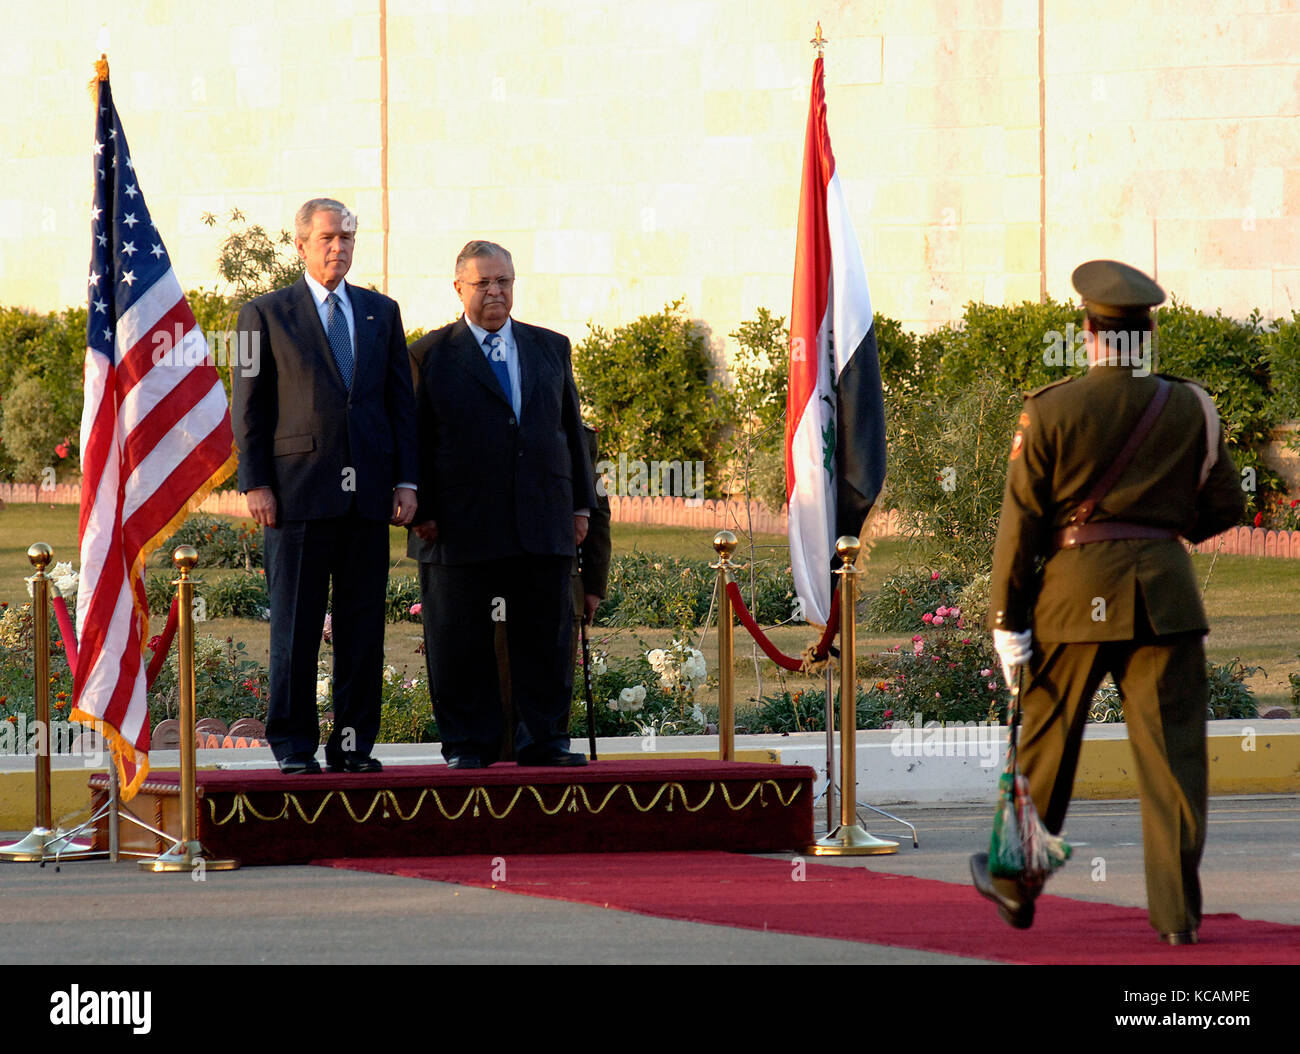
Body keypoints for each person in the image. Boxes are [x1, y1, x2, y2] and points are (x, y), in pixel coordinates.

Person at [970, 259, 1244, 945]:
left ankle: (1014, 880)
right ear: (1147, 332)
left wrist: (1008, 622)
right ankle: (1177, 917)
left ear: (1088, 332)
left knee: (1047, 746)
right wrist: (1158, 536)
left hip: (1071, 597)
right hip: (1166, 599)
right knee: (1173, 762)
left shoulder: (1051, 409)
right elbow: (1226, 505)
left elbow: (1021, 526)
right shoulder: (1193, 405)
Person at [232, 198, 418, 775]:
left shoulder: (381, 313)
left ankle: (354, 745)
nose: (339, 247)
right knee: (296, 624)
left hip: (368, 496)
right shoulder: (258, 314)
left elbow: (399, 406)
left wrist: (406, 481)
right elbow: (247, 405)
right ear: (301, 245)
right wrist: (256, 483)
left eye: (347, 237)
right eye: (328, 237)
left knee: (363, 629)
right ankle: (292, 746)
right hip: (295, 495)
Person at [408, 240, 597, 769]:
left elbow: (569, 431)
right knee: (458, 640)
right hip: (457, 526)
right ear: (459, 288)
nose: (495, 292)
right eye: (483, 283)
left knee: (545, 636)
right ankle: (469, 745)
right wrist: (421, 508)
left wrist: (581, 505)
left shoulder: (550, 347)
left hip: (541, 518)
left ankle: (544, 741)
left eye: (504, 282)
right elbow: (415, 439)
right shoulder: (430, 354)